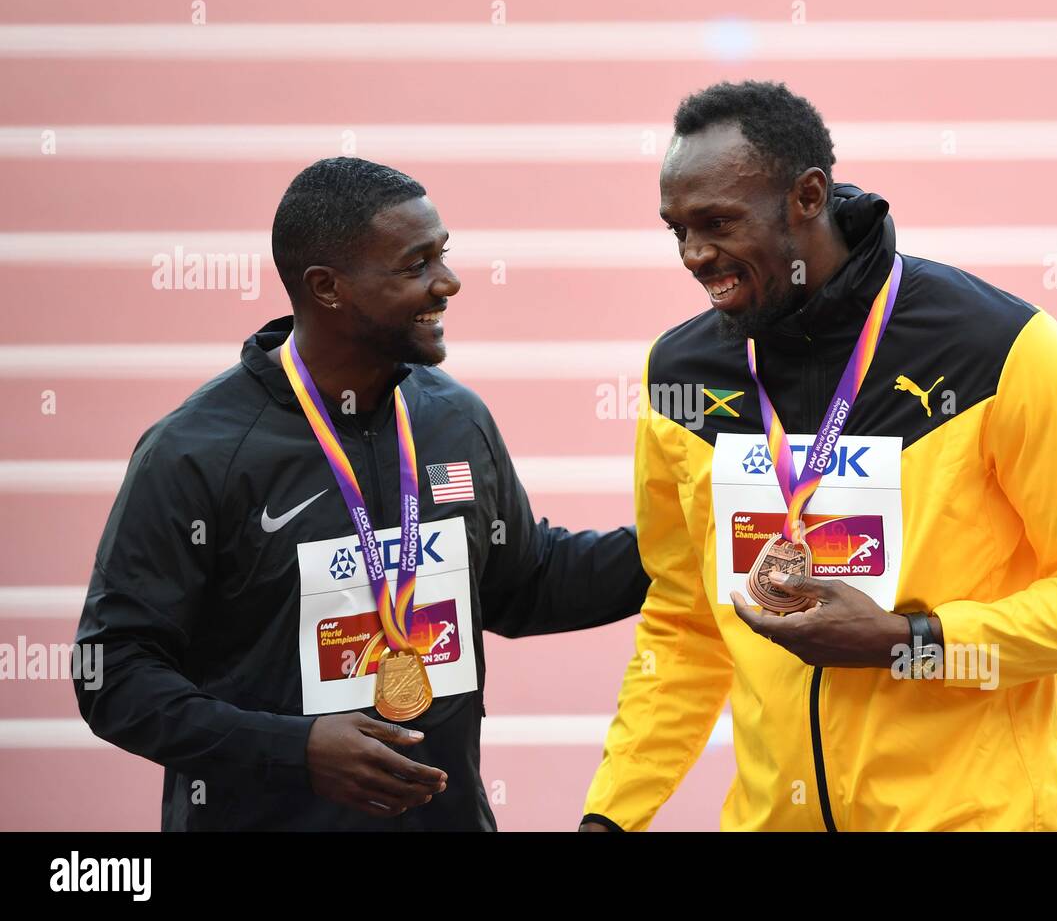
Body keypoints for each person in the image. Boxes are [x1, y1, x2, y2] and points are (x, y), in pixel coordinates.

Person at [580, 81, 1057, 832]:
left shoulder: (998, 348)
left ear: (807, 196)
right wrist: (612, 813)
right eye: (677, 231)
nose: (697, 257)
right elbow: (685, 620)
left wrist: (913, 646)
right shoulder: (679, 376)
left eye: (718, 224)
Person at [74, 157, 648, 830]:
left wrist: (698, 542)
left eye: (444, 255)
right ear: (328, 288)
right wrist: (295, 750)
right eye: (416, 265)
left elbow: (523, 580)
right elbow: (111, 673)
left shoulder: (452, 419)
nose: (449, 283)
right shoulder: (195, 453)